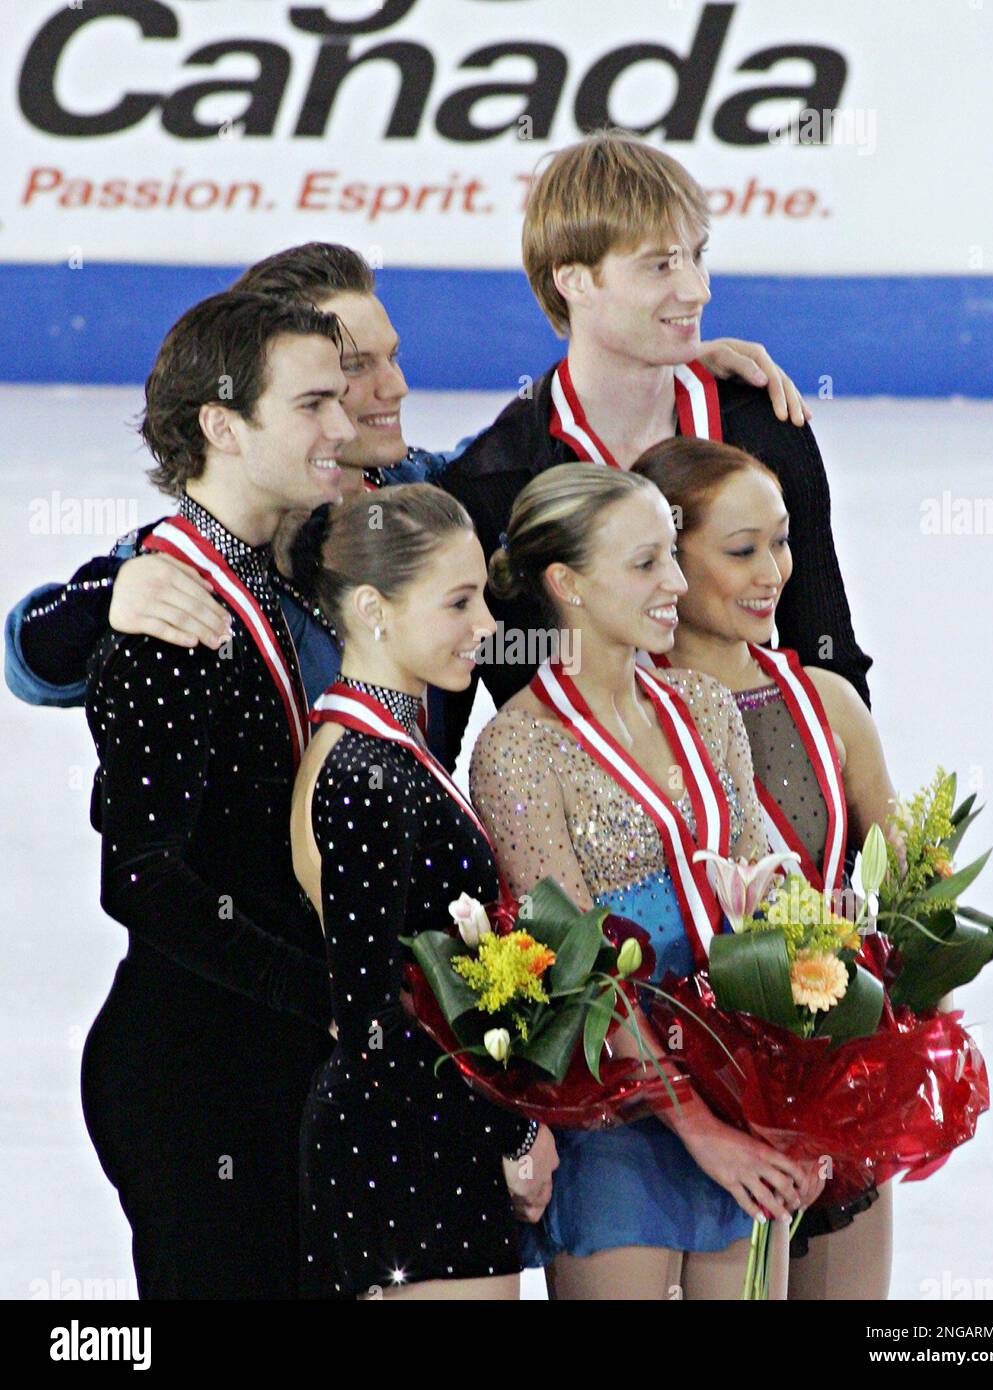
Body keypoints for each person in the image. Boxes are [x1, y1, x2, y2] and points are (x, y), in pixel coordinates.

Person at [4, 239, 794, 718]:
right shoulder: (197, 554)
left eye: (394, 356)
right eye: (354, 370)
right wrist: (112, 596)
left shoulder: (435, 499)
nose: (396, 388)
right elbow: (30, 658)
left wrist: (658, 371)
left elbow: (554, 464)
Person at [469, 465, 825, 1300]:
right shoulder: (517, 749)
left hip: (741, 1086)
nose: (676, 582)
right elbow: (577, 964)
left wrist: (799, 1100)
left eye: (672, 554)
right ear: (568, 585)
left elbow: (768, 902)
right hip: (617, 1105)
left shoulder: (704, 706)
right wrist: (700, 1132)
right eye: (645, 563)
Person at [439, 129, 871, 772]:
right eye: (660, 264)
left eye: (697, 256)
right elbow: (439, 734)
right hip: (583, 849)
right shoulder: (494, 487)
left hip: (774, 828)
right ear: (575, 280)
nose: (697, 290)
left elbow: (827, 659)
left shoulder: (764, 430)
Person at [80, 290, 355, 1297]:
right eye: (314, 404)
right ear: (222, 426)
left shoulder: (282, 579)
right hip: (199, 1071)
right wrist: (326, 996)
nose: (344, 423)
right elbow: (143, 879)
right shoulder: (172, 612)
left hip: (276, 1056)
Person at [632, 437, 901, 1299]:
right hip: (689, 1112)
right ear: (666, 563)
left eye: (781, 542)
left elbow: (903, 893)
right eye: (741, 550)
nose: (773, 572)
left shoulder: (829, 703)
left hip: (833, 1090)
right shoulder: (624, 721)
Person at [289, 484, 558, 1299]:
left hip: (425, 1132)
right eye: (459, 602)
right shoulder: (366, 770)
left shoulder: (390, 747)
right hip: (405, 1148)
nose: (486, 627)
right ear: (374, 608)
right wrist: (513, 1134)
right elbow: (371, 1012)